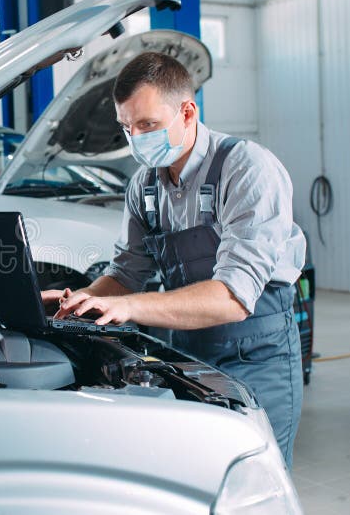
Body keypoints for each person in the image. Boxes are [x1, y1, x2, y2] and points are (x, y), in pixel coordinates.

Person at [43, 52, 306, 468]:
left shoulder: (247, 169)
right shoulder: (144, 187)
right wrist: (81, 302)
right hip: (187, 351)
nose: (136, 138)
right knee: (194, 477)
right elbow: (126, 274)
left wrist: (127, 307)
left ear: (187, 111)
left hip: (259, 353)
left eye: (148, 125)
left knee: (254, 477)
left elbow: (233, 298)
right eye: (127, 128)